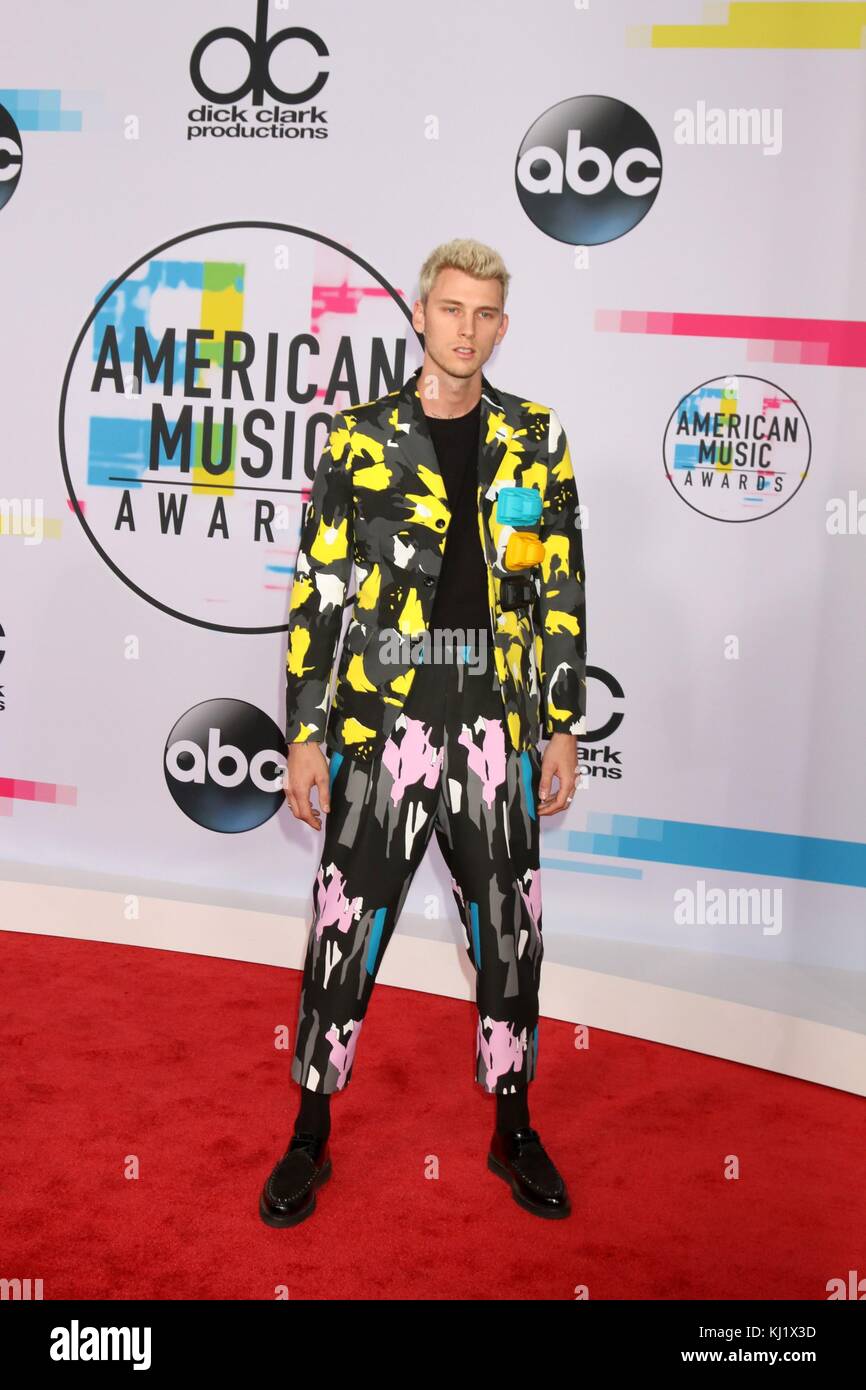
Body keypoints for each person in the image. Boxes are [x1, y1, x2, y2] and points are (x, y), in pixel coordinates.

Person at [260, 238, 587, 1228]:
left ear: (501, 322)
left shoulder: (536, 435)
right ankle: (310, 1129)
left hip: (494, 713)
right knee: (343, 927)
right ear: (419, 313)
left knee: (510, 930)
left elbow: (559, 581)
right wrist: (306, 732)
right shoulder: (359, 437)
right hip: (383, 716)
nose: (467, 328)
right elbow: (319, 591)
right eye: (451, 308)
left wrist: (560, 720)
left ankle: (512, 1124)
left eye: (485, 313)